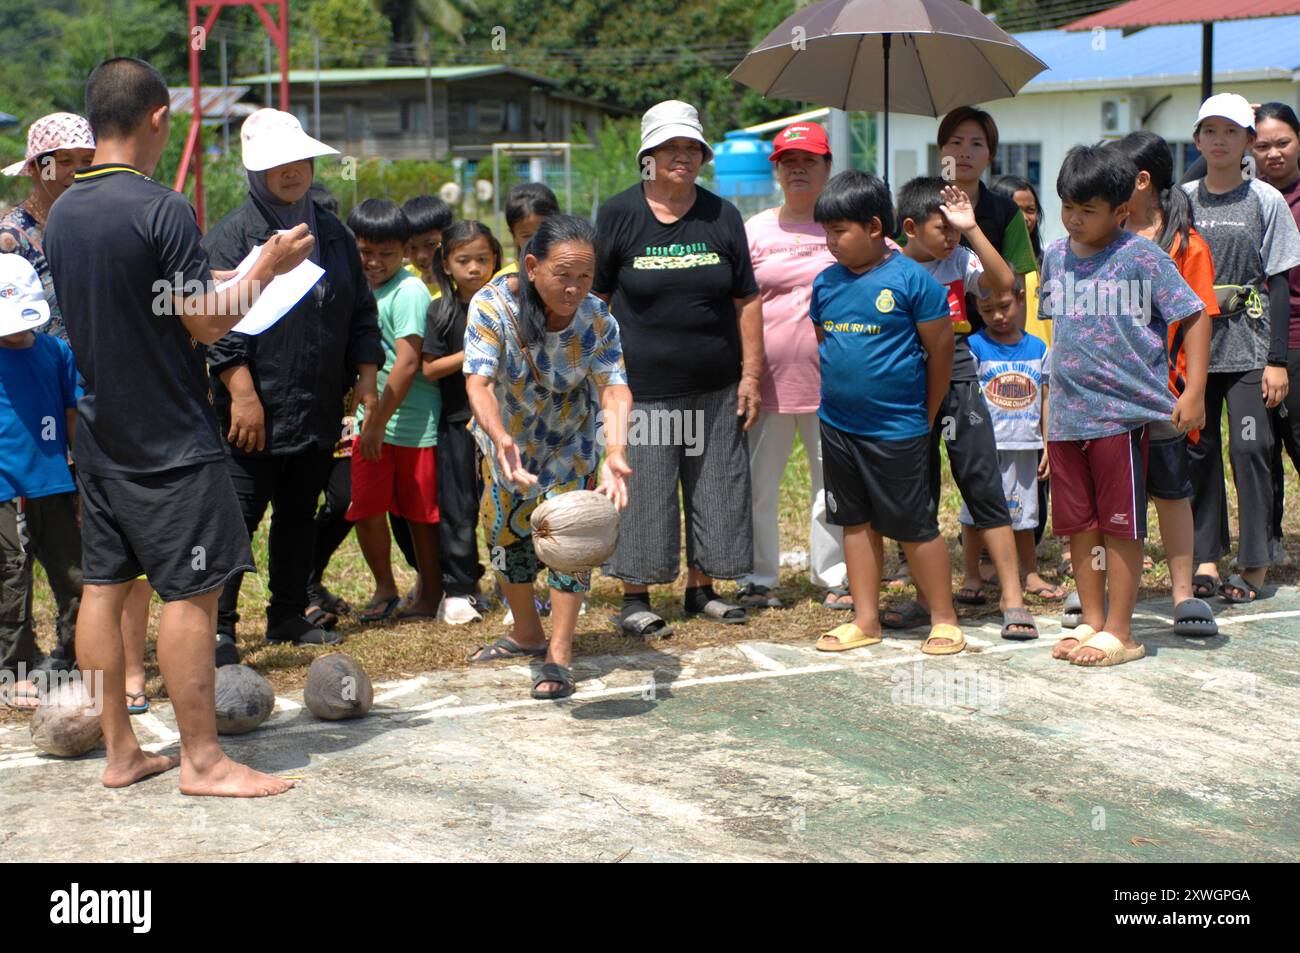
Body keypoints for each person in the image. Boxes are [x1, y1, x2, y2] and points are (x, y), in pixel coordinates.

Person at [45, 56, 312, 795]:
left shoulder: (64, 209)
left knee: (104, 586)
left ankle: (121, 752)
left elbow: (154, 297)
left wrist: (243, 267)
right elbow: (201, 321)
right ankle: (203, 760)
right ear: (159, 118)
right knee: (190, 595)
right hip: (170, 438)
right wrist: (270, 271)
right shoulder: (160, 206)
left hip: (100, 434)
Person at [202, 108, 382, 663]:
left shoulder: (332, 233)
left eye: (299, 159)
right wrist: (242, 393)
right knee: (237, 515)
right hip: (251, 408)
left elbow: (361, 312)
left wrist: (368, 379)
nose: (291, 170)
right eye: (277, 163)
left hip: (316, 404)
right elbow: (214, 323)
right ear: (256, 170)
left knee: (299, 513)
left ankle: (285, 615)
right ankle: (218, 627)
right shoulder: (230, 236)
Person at [594, 100, 763, 637]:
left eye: (692, 148)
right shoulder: (619, 214)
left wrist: (752, 375)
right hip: (640, 388)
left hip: (716, 384)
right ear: (648, 156)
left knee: (717, 486)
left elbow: (747, 300)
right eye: (671, 148)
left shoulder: (721, 215)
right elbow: (595, 299)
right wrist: (600, 378)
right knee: (644, 491)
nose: (682, 157)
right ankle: (636, 596)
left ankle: (702, 588)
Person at [1040, 145, 1206, 666]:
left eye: (1088, 210)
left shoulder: (1140, 256)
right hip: (1068, 418)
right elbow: (1060, 333)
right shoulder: (1053, 254)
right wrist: (1048, 416)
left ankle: (1122, 630)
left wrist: (1194, 391)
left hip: (1123, 415)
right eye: (1068, 206)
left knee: (1120, 524)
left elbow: (1195, 314)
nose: (1074, 219)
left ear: (1120, 212)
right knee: (1080, 527)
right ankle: (1091, 619)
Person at [464, 215, 632, 698]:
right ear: (533, 266)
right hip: (507, 443)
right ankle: (525, 632)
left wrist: (615, 449)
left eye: (585, 275)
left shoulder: (598, 317)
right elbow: (478, 381)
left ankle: (558, 653)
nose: (575, 287)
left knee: (569, 539)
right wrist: (498, 437)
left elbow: (615, 389)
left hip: (570, 445)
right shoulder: (493, 306)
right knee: (502, 535)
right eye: (564, 274)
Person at [807, 171, 964, 656]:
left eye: (840, 231)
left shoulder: (913, 281)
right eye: (826, 232)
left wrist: (925, 414)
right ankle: (866, 619)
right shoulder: (825, 283)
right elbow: (825, 343)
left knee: (914, 524)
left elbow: (939, 354)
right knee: (853, 521)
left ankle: (943, 618)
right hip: (837, 425)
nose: (830, 242)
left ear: (876, 227)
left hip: (898, 427)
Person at [885, 106, 1039, 592]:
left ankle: (1008, 572)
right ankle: (916, 560)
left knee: (989, 460)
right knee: (916, 463)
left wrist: (967, 228)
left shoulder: (997, 216)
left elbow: (1009, 281)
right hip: (909, 361)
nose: (964, 152)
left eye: (976, 143)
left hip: (973, 354)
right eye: (954, 142)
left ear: (991, 154)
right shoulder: (914, 211)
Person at [1183, 94, 1300, 604]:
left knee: (1251, 447)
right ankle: (1206, 556)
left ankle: (1255, 561)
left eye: (1231, 131)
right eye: (1210, 131)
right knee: (1199, 450)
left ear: (1248, 142)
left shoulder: (1265, 200)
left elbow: (1278, 281)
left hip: (1251, 348)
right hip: (1196, 346)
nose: (1220, 140)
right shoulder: (1182, 199)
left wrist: (1277, 359)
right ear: (1198, 140)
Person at [1107, 131, 1218, 637]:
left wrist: (1193, 391)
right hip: (1105, 398)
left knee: (1171, 493)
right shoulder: (1099, 239)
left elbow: (1200, 316)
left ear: (1142, 181)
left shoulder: (1186, 245)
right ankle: (1098, 586)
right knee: (1107, 496)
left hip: (1162, 393)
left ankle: (1182, 594)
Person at [737, 121, 847, 611]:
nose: (798, 168)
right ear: (777, 171)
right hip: (768, 384)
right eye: (788, 161)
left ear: (828, 167)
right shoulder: (754, 231)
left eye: (809, 160)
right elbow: (736, 302)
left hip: (835, 384)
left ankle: (835, 577)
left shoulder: (846, 225)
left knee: (833, 487)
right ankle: (759, 577)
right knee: (760, 485)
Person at [345, 199, 444, 622]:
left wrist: (377, 423)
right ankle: (385, 588)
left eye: (386, 253)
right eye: (366, 251)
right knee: (366, 508)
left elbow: (406, 363)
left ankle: (432, 592)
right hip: (371, 423)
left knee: (420, 514)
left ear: (403, 252)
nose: (374, 262)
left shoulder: (409, 291)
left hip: (411, 423)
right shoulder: (357, 287)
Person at [0, 255, 81, 710]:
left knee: (75, 578)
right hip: (4, 491)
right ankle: (14, 668)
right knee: (11, 579)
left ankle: (72, 656)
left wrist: (83, 473)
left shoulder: (55, 352)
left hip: (53, 484)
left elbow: (72, 416)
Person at [421, 220, 503, 624]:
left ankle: (513, 583)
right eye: (464, 260)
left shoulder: (511, 304)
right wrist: (479, 351)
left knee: (507, 505)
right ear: (447, 264)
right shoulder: (441, 309)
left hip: (505, 424)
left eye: (483, 259)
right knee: (459, 508)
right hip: (457, 423)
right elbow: (430, 368)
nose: (474, 268)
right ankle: (459, 589)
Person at [964, 280, 1062, 601]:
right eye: (987, 309)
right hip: (985, 449)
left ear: (1021, 299)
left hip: (1025, 446)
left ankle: (1030, 573)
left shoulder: (1038, 349)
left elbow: (1047, 399)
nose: (998, 317)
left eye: (1004, 307)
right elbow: (967, 401)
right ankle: (972, 575)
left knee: (1025, 515)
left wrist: (1047, 445)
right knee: (974, 514)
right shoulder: (973, 347)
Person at [1252, 103, 1300, 565]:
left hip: (1298, 338)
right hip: (1251, 338)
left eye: (1283, 142)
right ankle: (1266, 541)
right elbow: (1186, 184)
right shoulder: (1246, 197)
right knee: (1260, 447)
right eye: (1262, 144)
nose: (1273, 154)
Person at [0, 112, 96, 342]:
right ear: (35, 168)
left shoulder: (94, 226)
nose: (77, 171)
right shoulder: (11, 238)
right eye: (64, 161)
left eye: (87, 161)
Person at [503, 183, 561, 268]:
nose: (536, 242)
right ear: (514, 235)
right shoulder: (506, 280)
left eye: (543, 233)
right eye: (526, 236)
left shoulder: (574, 275)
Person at [403, 194, 454, 289]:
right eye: (412, 248)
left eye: (430, 244)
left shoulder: (464, 286)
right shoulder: (404, 280)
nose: (421, 256)